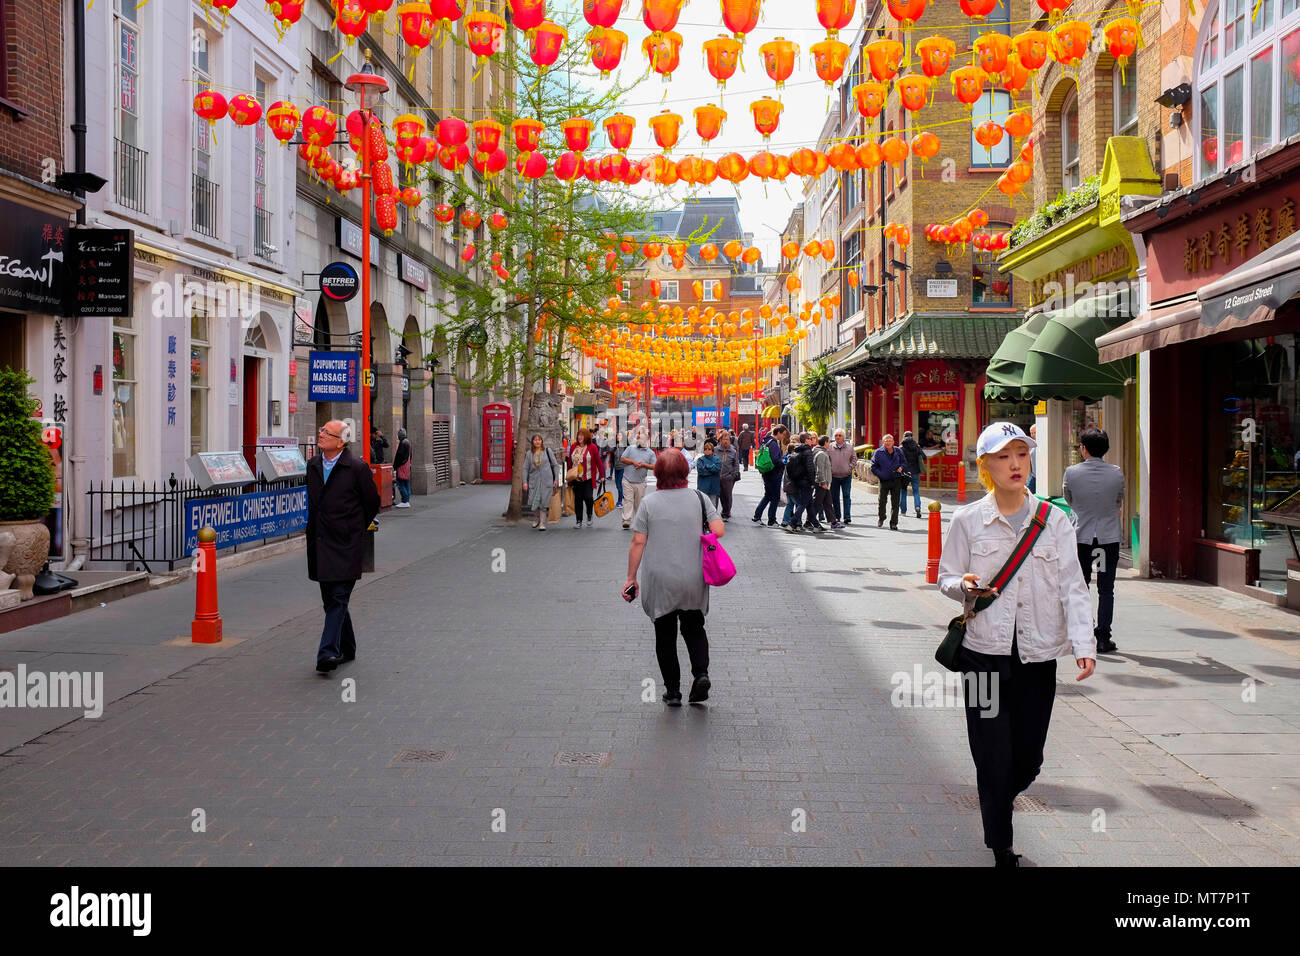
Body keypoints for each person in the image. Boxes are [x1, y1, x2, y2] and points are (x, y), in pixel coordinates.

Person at [938, 422, 1095, 867]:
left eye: (1022, 455)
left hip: (1036, 656)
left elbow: (1074, 587)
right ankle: (1001, 846)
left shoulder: (1054, 520)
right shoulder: (968, 519)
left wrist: (1084, 643)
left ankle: (1000, 797)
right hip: (982, 657)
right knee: (991, 752)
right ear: (986, 464)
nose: (1015, 464)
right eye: (1004, 456)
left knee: (1028, 756)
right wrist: (960, 584)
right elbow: (945, 576)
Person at [624, 448, 725, 706]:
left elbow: (638, 542)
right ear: (684, 471)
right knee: (694, 627)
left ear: (657, 473)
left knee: (665, 634)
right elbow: (719, 530)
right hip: (693, 576)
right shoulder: (699, 498)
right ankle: (700, 674)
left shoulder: (649, 503)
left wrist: (631, 578)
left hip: (661, 578)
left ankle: (673, 691)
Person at [306, 420, 381, 674]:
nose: (321, 434)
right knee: (331, 600)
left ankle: (327, 653)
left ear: (341, 442)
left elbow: (372, 502)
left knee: (338, 597)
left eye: (327, 432)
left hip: (347, 544)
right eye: (322, 430)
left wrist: (355, 528)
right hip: (320, 542)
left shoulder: (357, 468)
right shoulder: (313, 466)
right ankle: (348, 647)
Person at [1063, 426, 1125, 654]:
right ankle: (1103, 636)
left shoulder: (1071, 472)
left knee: (1081, 587)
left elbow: (1068, 498)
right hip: (1108, 537)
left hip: (1081, 536)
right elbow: (1118, 500)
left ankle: (1082, 633)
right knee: (1106, 589)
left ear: (1084, 449)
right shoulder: (1117, 472)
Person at [566, 427, 605, 528]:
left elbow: (598, 462)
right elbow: (570, 461)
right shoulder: (574, 446)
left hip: (588, 477)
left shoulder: (592, 447)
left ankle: (589, 514)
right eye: (579, 435)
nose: (580, 437)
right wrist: (568, 475)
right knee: (578, 499)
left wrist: (602, 475)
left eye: (582, 435)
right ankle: (579, 520)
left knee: (588, 497)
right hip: (576, 478)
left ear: (586, 436)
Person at [751, 424, 788, 525]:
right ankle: (772, 520)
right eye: (783, 434)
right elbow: (775, 459)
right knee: (775, 498)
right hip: (774, 474)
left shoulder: (766, 441)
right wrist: (784, 462)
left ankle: (757, 516)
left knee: (768, 496)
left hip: (767, 473)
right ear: (778, 433)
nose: (783, 437)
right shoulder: (773, 443)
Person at [620, 428, 657, 530]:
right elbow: (622, 459)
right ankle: (626, 520)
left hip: (640, 482)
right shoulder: (630, 448)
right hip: (627, 480)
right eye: (639, 438)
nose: (640, 440)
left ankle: (638, 521)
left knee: (639, 503)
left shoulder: (650, 453)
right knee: (628, 500)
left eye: (642, 439)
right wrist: (633, 462)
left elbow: (654, 466)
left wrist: (644, 465)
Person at [523, 434, 560, 530]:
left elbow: (555, 465)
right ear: (532, 442)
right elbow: (525, 468)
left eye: (539, 440)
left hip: (546, 481)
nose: (537, 442)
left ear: (542, 441)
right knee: (534, 503)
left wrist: (556, 479)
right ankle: (537, 518)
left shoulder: (547, 451)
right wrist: (524, 482)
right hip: (534, 482)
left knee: (543, 503)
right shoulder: (529, 454)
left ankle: (542, 523)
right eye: (535, 440)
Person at [785, 432, 820, 533]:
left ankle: (816, 524)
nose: (811, 440)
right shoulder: (808, 451)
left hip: (799, 480)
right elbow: (810, 468)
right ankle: (791, 523)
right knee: (804, 503)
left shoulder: (798, 450)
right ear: (806, 440)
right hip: (806, 482)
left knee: (809, 503)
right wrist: (813, 482)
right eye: (809, 438)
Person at [870, 434, 907, 530]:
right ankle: (882, 517)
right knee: (882, 501)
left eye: (890, 441)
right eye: (886, 441)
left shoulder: (898, 451)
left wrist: (901, 468)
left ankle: (893, 523)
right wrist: (881, 474)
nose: (888, 442)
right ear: (883, 442)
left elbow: (904, 463)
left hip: (896, 479)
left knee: (895, 503)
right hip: (884, 481)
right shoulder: (878, 452)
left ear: (893, 442)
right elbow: (873, 466)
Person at [827, 428, 854, 528]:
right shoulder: (830, 447)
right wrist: (830, 468)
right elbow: (827, 459)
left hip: (846, 476)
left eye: (840, 435)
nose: (837, 437)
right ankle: (837, 516)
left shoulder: (850, 447)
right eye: (836, 436)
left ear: (844, 437)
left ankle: (847, 516)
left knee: (846, 496)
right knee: (835, 497)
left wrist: (849, 468)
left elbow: (854, 459)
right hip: (834, 476)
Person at [900, 429, 926, 519]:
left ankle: (903, 511)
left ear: (904, 437)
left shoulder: (901, 448)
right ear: (912, 437)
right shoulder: (917, 446)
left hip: (905, 472)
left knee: (903, 491)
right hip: (915, 472)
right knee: (916, 491)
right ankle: (917, 507)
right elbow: (924, 457)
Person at [717, 430, 741, 521]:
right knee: (717, 496)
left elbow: (736, 464)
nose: (726, 441)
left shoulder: (733, 451)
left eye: (727, 439)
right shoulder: (716, 450)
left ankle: (726, 513)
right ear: (720, 440)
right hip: (717, 477)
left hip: (728, 477)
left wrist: (734, 474)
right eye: (724, 439)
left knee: (727, 496)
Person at [812, 435, 833, 531]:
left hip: (826, 483)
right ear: (825, 442)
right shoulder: (821, 454)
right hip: (822, 483)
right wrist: (823, 482)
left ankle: (833, 521)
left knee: (828, 502)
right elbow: (820, 469)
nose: (830, 444)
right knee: (817, 503)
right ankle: (809, 521)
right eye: (829, 442)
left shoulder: (823, 452)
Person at [695, 438, 722, 509]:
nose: (707, 451)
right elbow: (701, 471)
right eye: (705, 449)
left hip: (714, 487)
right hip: (703, 487)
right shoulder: (700, 460)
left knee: (713, 507)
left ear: (712, 451)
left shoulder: (717, 459)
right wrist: (712, 470)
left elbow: (717, 469)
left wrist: (707, 466)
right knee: (702, 506)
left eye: (709, 449)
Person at [391, 428, 413, 508]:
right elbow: (411, 455)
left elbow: (399, 456)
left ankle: (405, 501)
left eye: (398, 435)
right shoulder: (408, 442)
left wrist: (395, 466)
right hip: (407, 465)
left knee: (400, 483)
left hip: (402, 466)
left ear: (400, 436)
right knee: (406, 483)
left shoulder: (402, 443)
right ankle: (407, 500)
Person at [612, 431, 627, 508]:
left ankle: (619, 502)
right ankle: (623, 495)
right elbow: (613, 456)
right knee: (617, 485)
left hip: (623, 468)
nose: (618, 436)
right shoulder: (615, 446)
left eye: (620, 435)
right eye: (617, 435)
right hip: (616, 467)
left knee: (619, 484)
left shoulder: (625, 446)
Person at [1027, 423, 1038, 494]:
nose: (1033, 435)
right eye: (1031, 433)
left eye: (1035, 432)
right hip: (1033, 476)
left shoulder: (1045, 443)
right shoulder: (1031, 444)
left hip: (1042, 477)